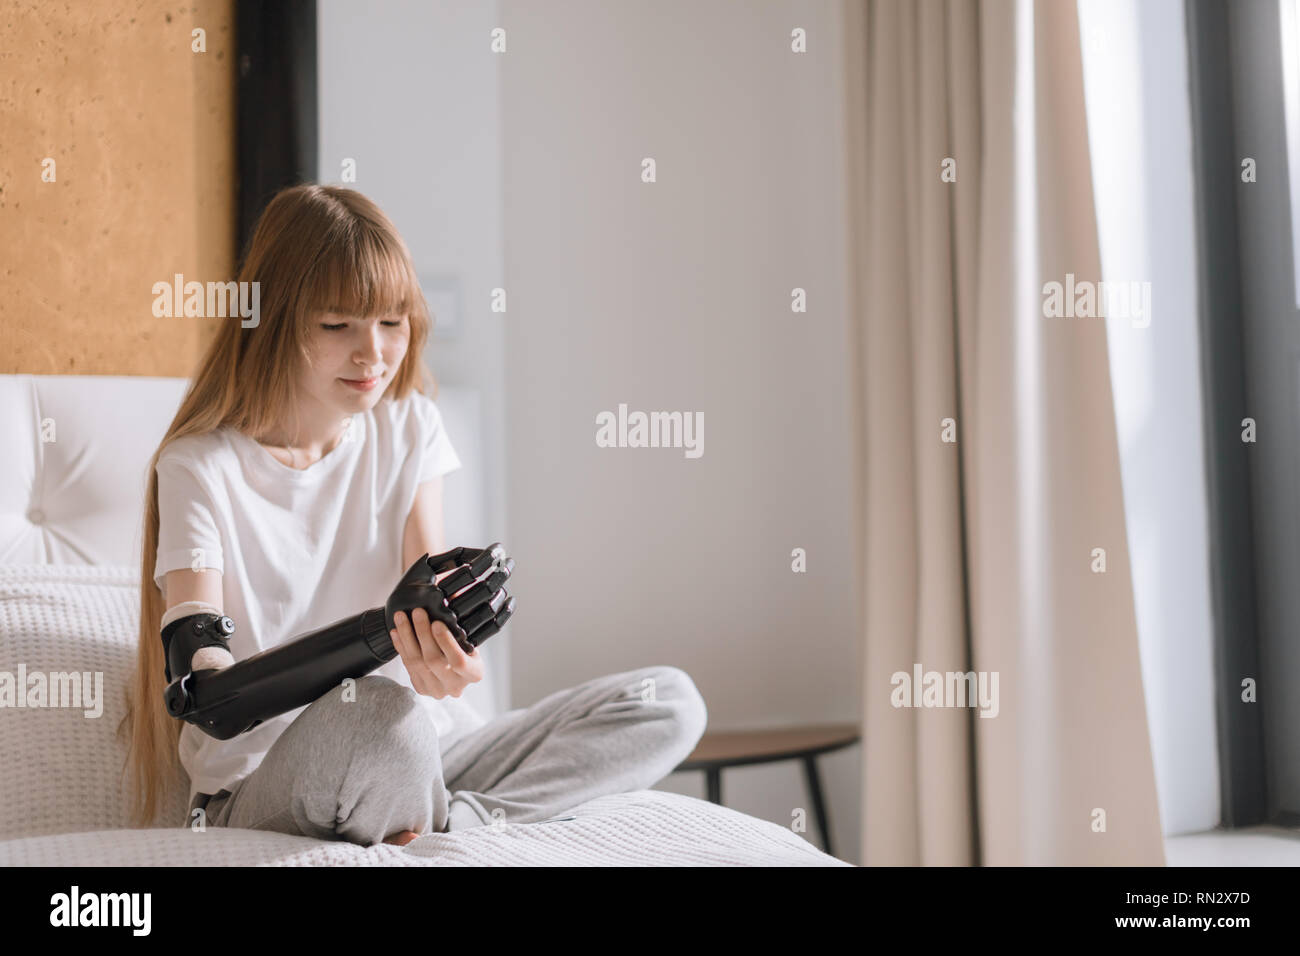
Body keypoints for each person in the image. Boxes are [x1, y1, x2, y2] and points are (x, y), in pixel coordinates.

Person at [121, 184, 708, 846]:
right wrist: (379, 639)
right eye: (336, 325)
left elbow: (424, 594)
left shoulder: (409, 427)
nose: (372, 354)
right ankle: (442, 819)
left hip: (434, 750)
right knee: (377, 712)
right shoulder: (199, 466)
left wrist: (452, 657)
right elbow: (211, 698)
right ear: (274, 320)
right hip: (278, 776)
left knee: (668, 701)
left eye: (391, 323)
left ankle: (462, 825)